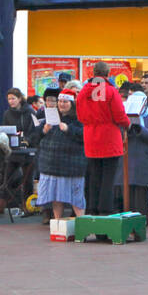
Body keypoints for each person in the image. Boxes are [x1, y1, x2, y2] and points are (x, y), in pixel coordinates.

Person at [77, 61, 129, 215]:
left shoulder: (83, 91)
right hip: (109, 137)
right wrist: (127, 124)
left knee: (94, 176)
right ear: (107, 74)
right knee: (108, 178)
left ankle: (92, 209)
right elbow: (120, 115)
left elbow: (79, 115)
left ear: (93, 73)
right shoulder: (111, 91)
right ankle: (105, 210)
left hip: (91, 137)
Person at [37, 91, 86, 221]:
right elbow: (34, 137)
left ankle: (82, 225)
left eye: (65, 102)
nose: (62, 104)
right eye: (60, 101)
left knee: (76, 198)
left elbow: (85, 135)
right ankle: (57, 223)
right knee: (56, 197)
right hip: (52, 166)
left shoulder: (79, 118)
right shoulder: (50, 117)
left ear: (72, 103)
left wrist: (69, 129)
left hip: (72, 167)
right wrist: (43, 131)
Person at [113, 92, 148, 216]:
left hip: (144, 162)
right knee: (126, 196)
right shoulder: (123, 117)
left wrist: (139, 129)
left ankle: (141, 225)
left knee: (140, 198)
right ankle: (128, 224)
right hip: (126, 162)